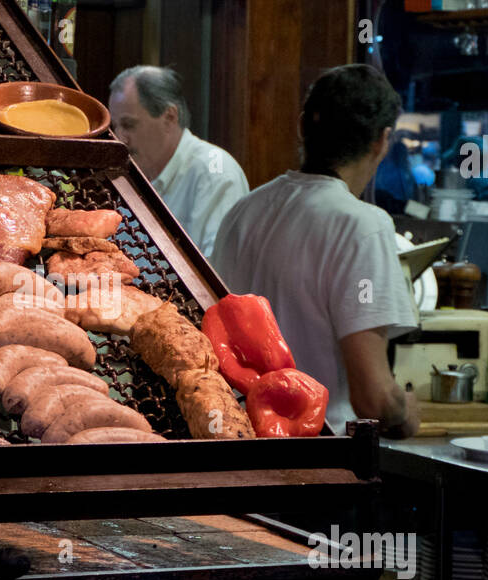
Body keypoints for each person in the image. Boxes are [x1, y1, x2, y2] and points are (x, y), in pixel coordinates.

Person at [210, 64, 420, 438]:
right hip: (316, 455)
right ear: (382, 141)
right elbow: (373, 400)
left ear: (302, 125)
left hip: (237, 438)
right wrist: (404, 410)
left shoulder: (243, 211)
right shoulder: (362, 225)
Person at [108, 66, 248, 258]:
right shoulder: (129, 172)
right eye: (115, 126)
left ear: (169, 117)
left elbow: (216, 274)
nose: (119, 138)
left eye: (129, 125)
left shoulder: (215, 170)